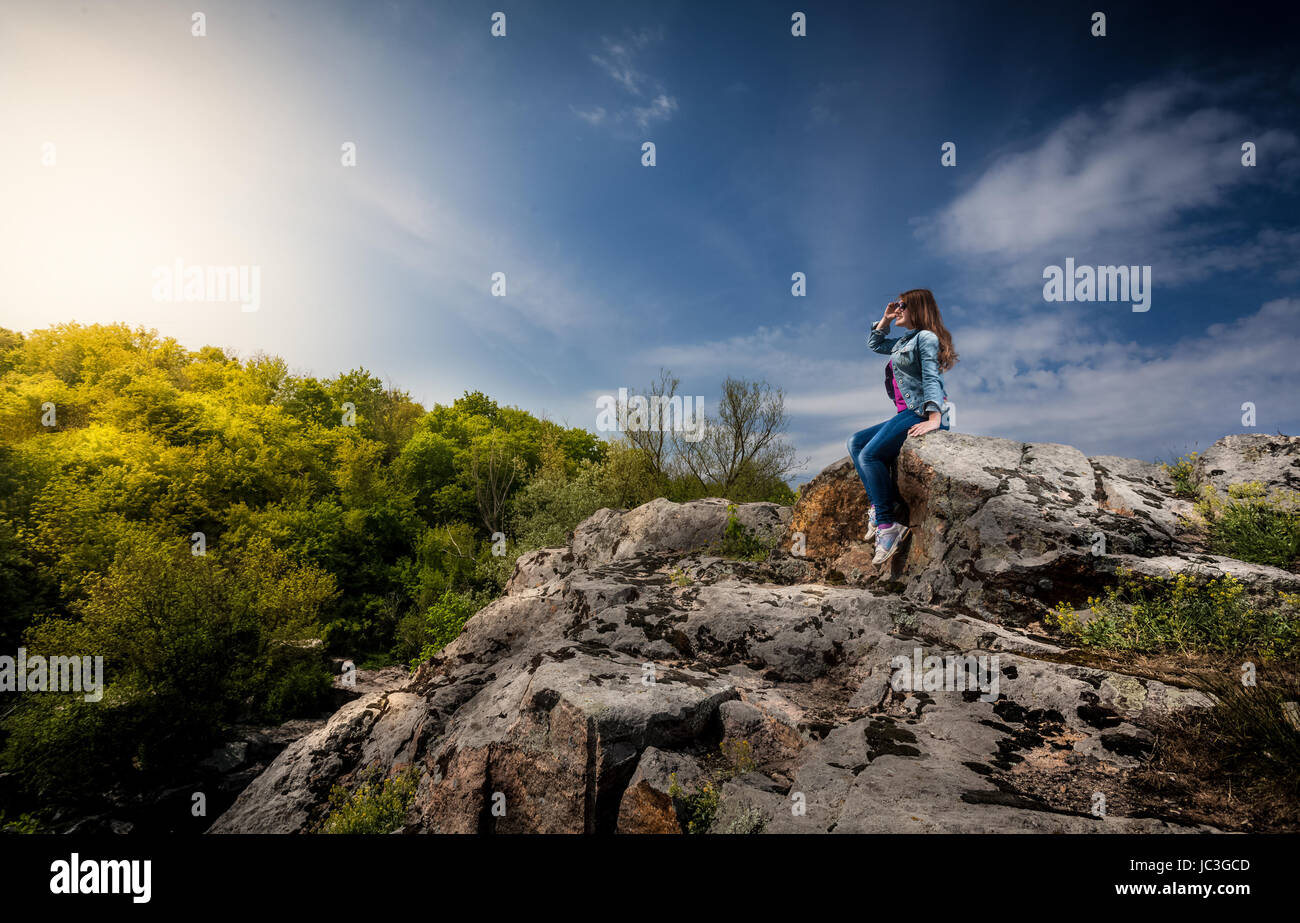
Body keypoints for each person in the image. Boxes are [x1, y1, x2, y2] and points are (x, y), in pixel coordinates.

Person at [846, 288, 958, 565]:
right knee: (855, 442)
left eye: (902, 305)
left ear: (917, 309)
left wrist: (935, 418)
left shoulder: (925, 338)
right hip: (905, 413)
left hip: (920, 411)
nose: (897, 309)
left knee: (869, 455)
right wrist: (884, 320)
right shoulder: (903, 341)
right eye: (896, 305)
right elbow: (875, 344)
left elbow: (932, 377)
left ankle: (887, 525)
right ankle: (881, 504)